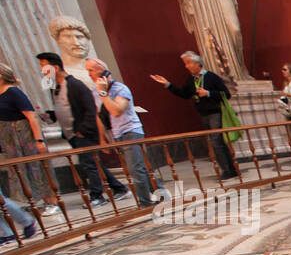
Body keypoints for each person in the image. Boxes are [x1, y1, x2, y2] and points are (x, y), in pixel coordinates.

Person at [36, 52, 130, 208]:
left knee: (89, 164)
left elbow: (91, 109)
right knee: (92, 163)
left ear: (56, 67)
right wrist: (51, 115)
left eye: (43, 66)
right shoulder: (56, 87)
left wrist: (82, 130)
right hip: (71, 133)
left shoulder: (74, 85)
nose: (42, 70)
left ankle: (97, 196)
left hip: (83, 133)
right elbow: (66, 108)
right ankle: (119, 187)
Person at [149, 51, 237, 180]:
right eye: (185, 64)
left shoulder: (212, 77)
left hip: (215, 113)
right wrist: (167, 84)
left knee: (216, 142)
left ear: (198, 63)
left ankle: (228, 170)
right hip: (203, 114)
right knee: (217, 143)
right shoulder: (191, 80)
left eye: (189, 63)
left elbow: (226, 94)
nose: (186, 66)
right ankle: (230, 169)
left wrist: (208, 93)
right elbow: (184, 94)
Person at [86, 58, 157, 205]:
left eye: (91, 70)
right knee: (139, 168)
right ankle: (160, 193)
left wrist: (104, 93)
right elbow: (99, 115)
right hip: (116, 134)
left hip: (131, 131)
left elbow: (117, 111)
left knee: (136, 170)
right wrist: (102, 138)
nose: (89, 74)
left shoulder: (120, 89)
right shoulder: (95, 91)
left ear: (103, 71)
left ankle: (145, 203)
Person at [0, 63, 58, 217]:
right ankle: (36, 200)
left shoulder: (14, 92)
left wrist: (39, 140)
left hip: (24, 135)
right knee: (21, 170)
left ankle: (52, 201)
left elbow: (31, 116)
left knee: (37, 167)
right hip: (10, 138)